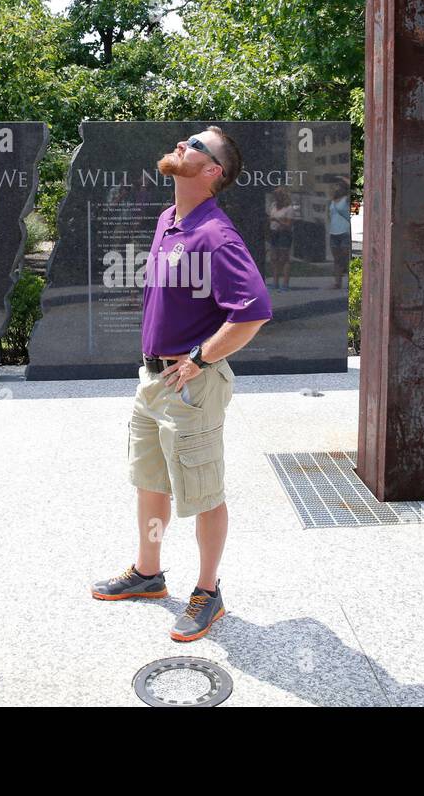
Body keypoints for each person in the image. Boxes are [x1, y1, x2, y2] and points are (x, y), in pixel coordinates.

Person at [91, 127, 272, 642]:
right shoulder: (169, 220)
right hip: (151, 381)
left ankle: (208, 592)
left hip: (188, 386)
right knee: (150, 481)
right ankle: (148, 574)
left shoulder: (217, 233)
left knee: (203, 491)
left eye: (196, 145)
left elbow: (253, 312)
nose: (183, 145)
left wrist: (199, 357)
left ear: (213, 171)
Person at [266, 187, 296, 290]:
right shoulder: (273, 205)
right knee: (274, 258)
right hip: (274, 232)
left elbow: (289, 224)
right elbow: (270, 218)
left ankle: (285, 283)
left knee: (284, 258)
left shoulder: (289, 208)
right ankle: (275, 282)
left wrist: (277, 220)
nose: (276, 197)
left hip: (284, 234)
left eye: (278, 195)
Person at [328, 181, 352, 289]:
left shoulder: (346, 199)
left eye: (338, 186)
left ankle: (350, 282)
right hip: (334, 233)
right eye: (335, 186)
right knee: (337, 259)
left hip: (345, 232)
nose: (336, 188)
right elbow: (329, 216)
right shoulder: (332, 201)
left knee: (345, 258)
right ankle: (337, 283)